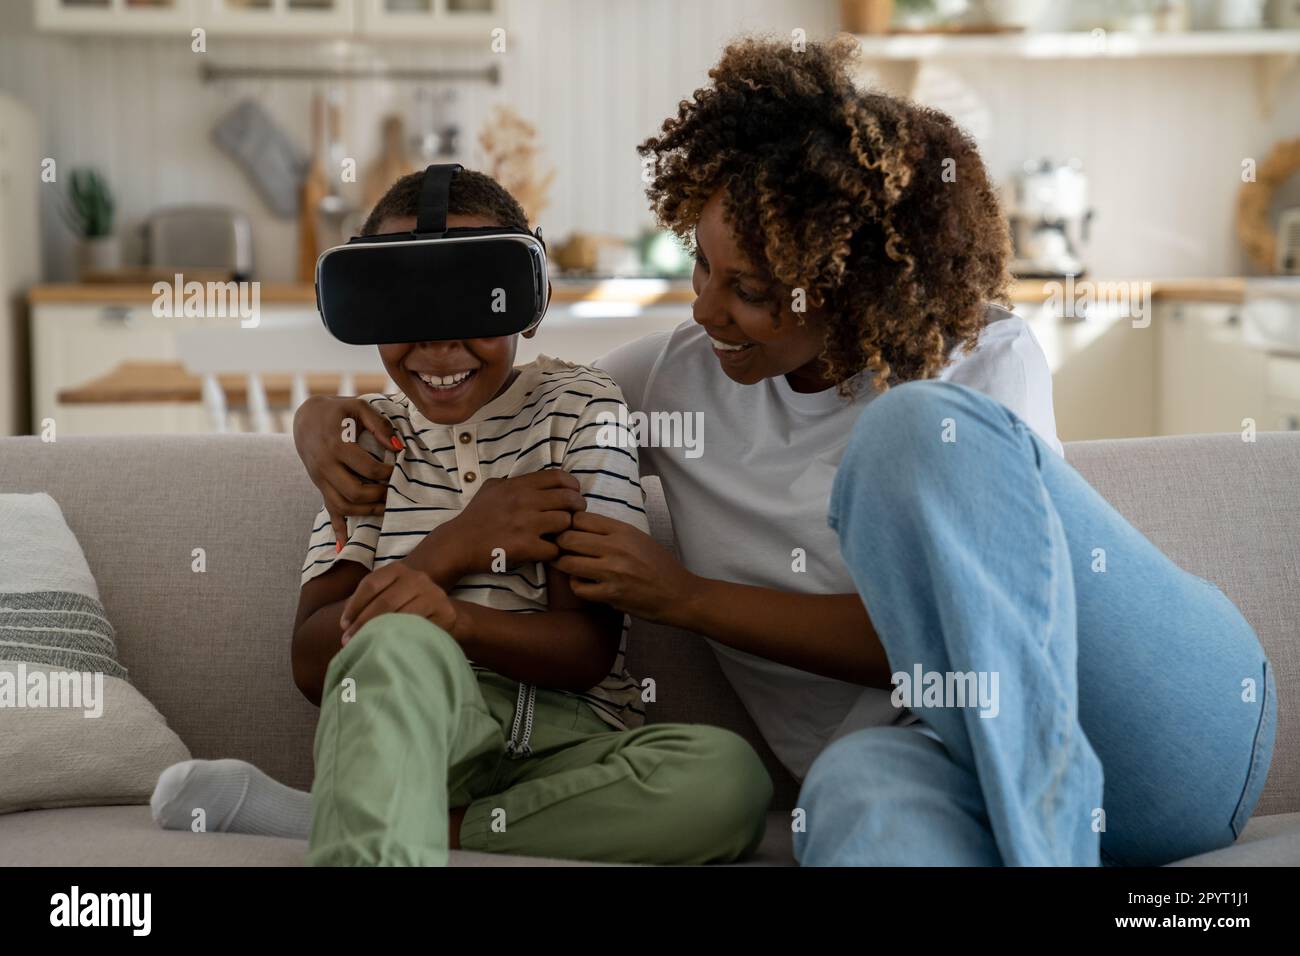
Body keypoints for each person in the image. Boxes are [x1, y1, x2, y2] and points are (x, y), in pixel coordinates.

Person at [291, 37, 1275, 866]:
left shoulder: (981, 359)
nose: (704, 309)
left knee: (909, 431)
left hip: (1156, 729)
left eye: (749, 290)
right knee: (841, 802)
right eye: (699, 266)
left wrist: (687, 598)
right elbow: (511, 400)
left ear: (849, 292)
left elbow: (989, 623)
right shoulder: (677, 378)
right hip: (929, 765)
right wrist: (316, 418)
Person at [150, 167, 772, 866]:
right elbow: (313, 661)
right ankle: (391, 811)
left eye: (472, 303)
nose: (439, 346)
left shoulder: (581, 411)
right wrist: (451, 549)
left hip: (571, 748)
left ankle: (359, 821)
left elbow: (587, 652)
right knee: (395, 644)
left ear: (526, 305)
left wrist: (456, 619)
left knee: (728, 781)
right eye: (408, 310)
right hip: (414, 733)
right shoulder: (363, 444)